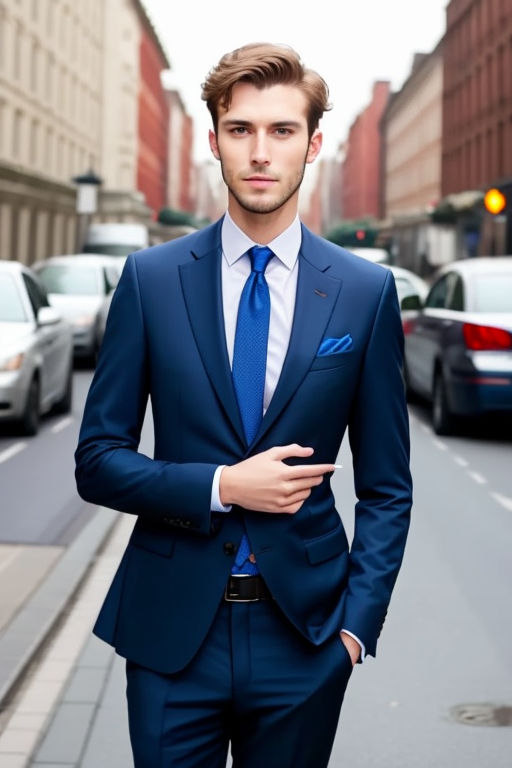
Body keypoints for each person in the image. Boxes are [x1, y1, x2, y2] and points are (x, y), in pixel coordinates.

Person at [75, 42, 412, 768]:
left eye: (282, 131)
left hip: (306, 637)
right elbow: (97, 463)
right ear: (214, 141)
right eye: (242, 130)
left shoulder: (363, 291)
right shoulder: (150, 280)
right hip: (172, 636)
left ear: (312, 144)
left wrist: (357, 624)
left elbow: (387, 487)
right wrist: (223, 486)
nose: (261, 152)